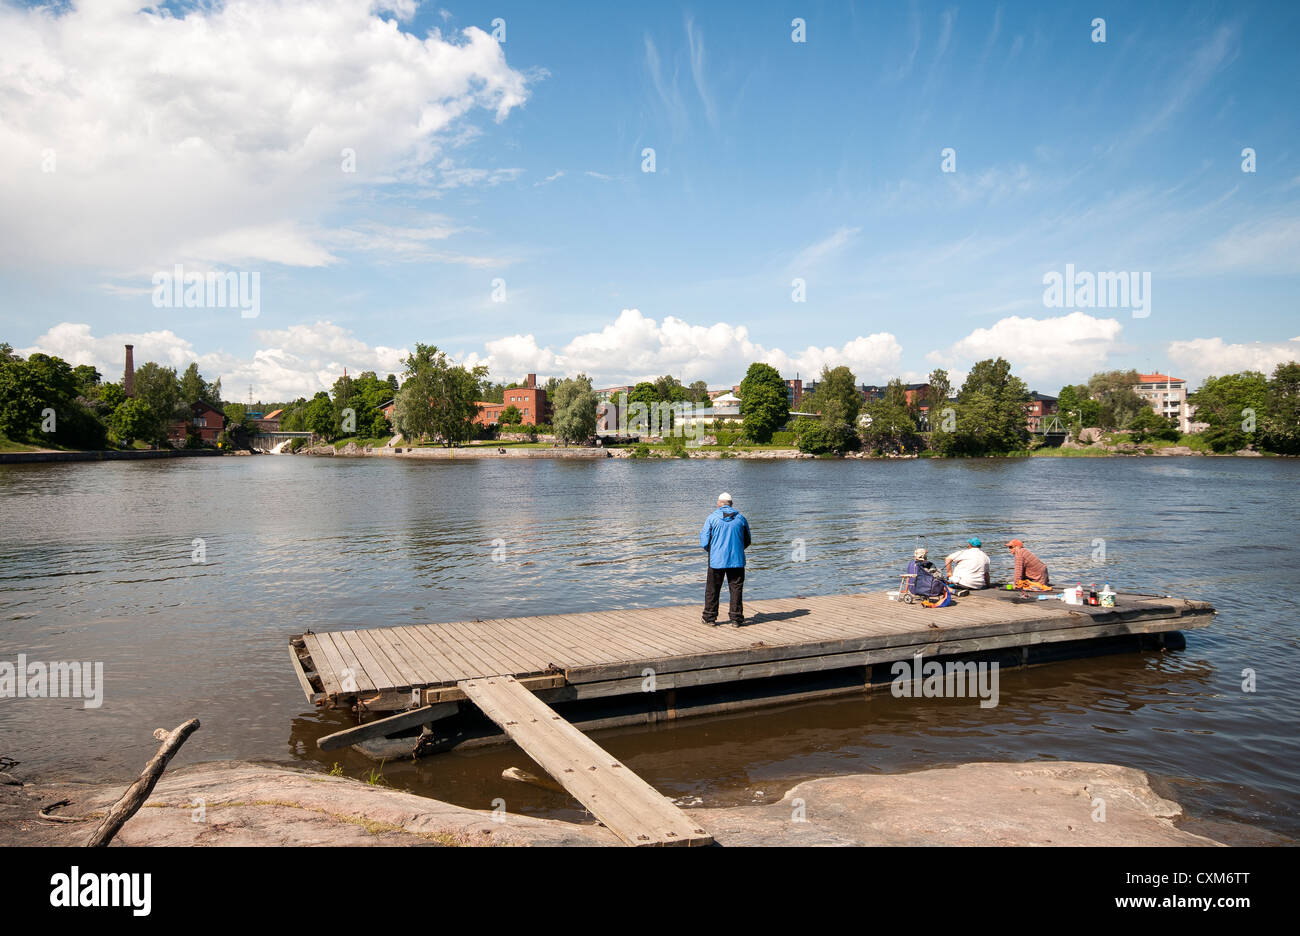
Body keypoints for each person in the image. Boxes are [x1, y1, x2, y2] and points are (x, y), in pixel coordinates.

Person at [699, 492, 751, 626]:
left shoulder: (711, 518)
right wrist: (737, 550)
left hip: (716, 560)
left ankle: (709, 617)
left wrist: (713, 550)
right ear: (731, 504)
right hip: (737, 560)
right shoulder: (741, 519)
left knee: (712, 589)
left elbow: (704, 541)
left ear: (719, 504)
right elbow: (747, 540)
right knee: (736, 589)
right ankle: (736, 619)